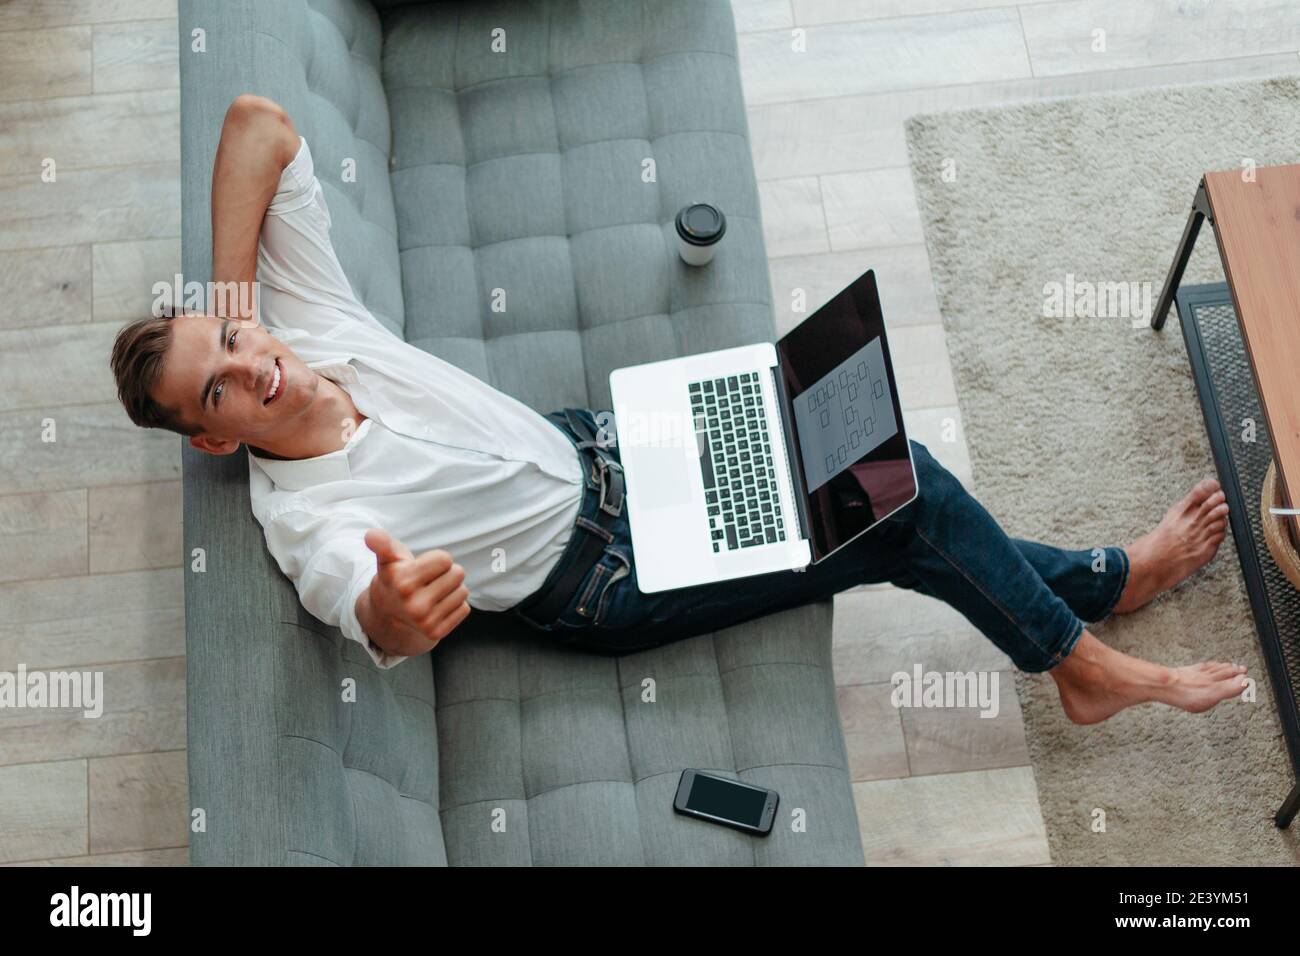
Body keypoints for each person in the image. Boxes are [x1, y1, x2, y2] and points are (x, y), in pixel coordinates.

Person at [110, 95, 1248, 726]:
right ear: (211, 438)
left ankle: (1101, 591)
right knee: (896, 497)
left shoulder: (299, 325)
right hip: (608, 576)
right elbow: (371, 612)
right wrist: (401, 607)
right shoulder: (304, 521)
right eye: (217, 389)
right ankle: (1083, 652)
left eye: (233, 340)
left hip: (608, 439)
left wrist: (233, 315)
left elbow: (256, 123)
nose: (251, 367)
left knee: (849, 407)